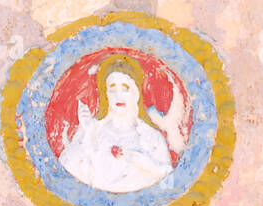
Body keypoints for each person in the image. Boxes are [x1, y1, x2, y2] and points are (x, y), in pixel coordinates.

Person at [57, 53, 187, 194]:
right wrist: (88, 134)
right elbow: (67, 170)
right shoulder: (92, 128)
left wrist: (148, 165)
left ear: (136, 93)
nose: (118, 95)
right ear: (105, 94)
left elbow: (170, 186)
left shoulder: (151, 137)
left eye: (125, 88)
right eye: (112, 89)